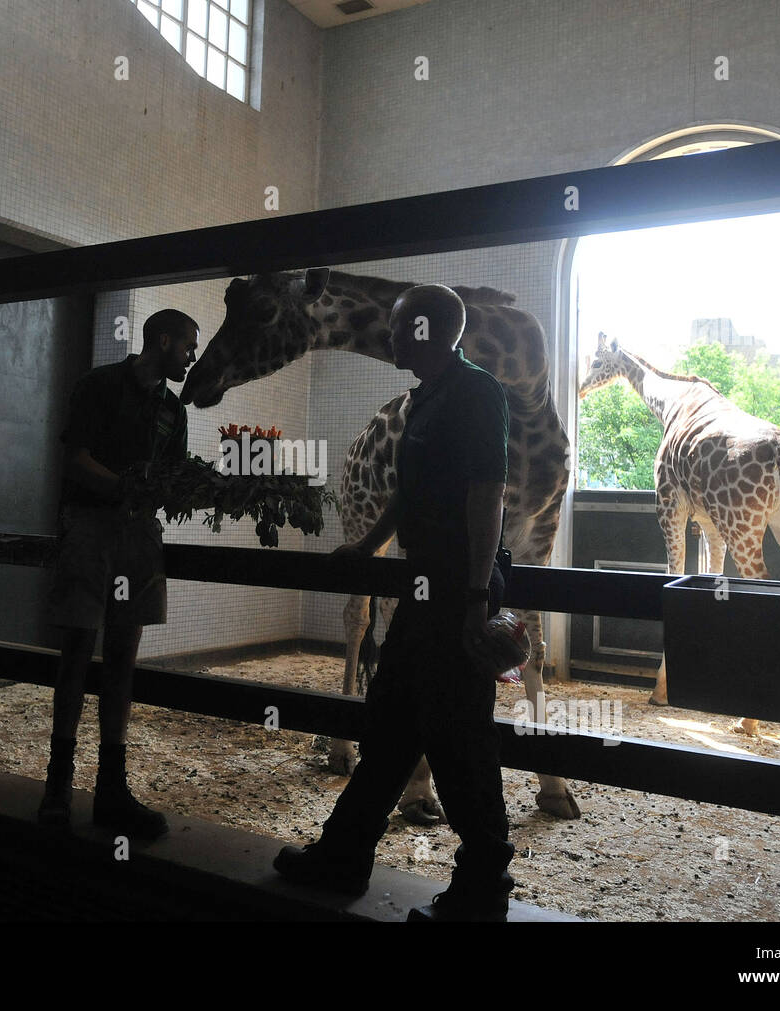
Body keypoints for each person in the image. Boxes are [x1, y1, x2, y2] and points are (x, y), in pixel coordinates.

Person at [273, 283, 521, 921]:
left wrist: (472, 597)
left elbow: (487, 495)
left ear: (429, 331)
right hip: (427, 583)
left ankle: (483, 880)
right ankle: (345, 853)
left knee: (459, 734)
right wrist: (367, 548)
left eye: (402, 325)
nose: (390, 336)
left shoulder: (476, 393)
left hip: (454, 587)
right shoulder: (429, 398)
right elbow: (410, 495)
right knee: (391, 724)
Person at [37, 309, 198, 839]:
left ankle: (111, 790)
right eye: (188, 347)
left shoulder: (174, 412)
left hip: (139, 536)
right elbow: (75, 460)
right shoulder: (97, 386)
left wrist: (196, 488)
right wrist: (124, 489)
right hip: (88, 528)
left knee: (123, 660)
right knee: (77, 656)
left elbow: (171, 478)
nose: (192, 357)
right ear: (164, 339)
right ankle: (57, 789)